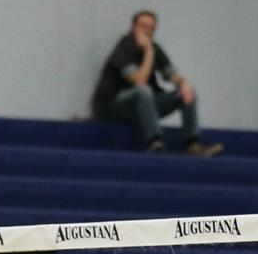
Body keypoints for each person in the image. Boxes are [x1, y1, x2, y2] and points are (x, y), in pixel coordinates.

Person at [90, 9, 218, 156]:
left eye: (151, 28)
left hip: (144, 105)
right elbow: (140, 80)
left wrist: (183, 83)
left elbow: (171, 75)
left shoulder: (156, 49)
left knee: (188, 91)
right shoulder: (124, 47)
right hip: (114, 105)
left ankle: (192, 144)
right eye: (143, 26)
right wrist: (149, 51)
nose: (147, 31)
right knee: (143, 90)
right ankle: (154, 141)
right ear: (133, 27)